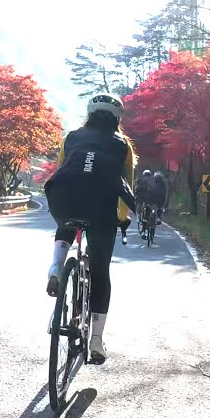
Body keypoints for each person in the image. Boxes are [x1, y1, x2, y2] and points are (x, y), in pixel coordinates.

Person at [43, 93, 136, 364]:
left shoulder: (71, 137)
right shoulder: (123, 144)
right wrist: (121, 218)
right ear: (117, 119)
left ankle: (56, 267)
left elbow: (62, 170)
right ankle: (96, 340)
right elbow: (125, 184)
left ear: (89, 114)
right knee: (99, 272)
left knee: (67, 219)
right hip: (100, 207)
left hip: (63, 198)